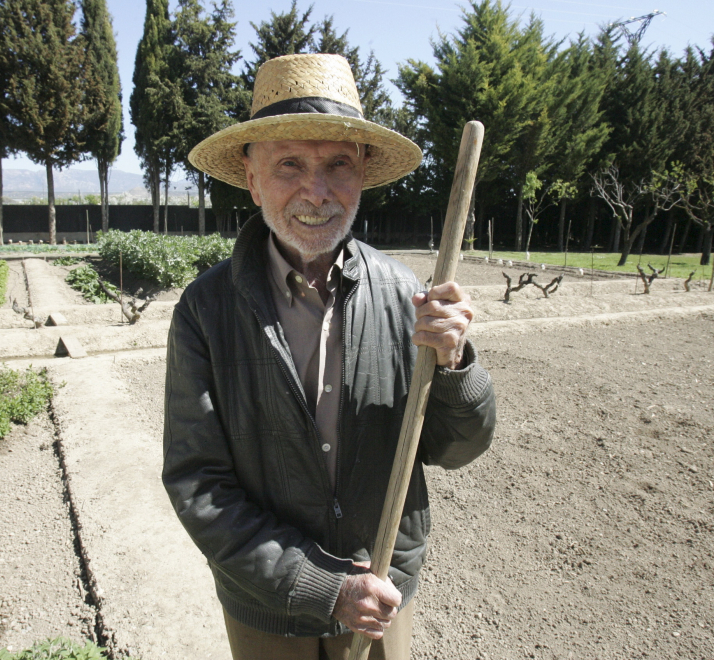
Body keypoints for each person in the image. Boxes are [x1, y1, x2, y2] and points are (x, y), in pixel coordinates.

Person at [162, 54, 496, 660]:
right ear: (253, 176)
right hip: (267, 610)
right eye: (290, 163)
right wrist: (322, 587)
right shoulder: (206, 311)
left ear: (362, 174)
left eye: (338, 164)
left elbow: (457, 448)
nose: (316, 192)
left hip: (381, 596)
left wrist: (455, 363)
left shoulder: (404, 295)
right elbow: (198, 484)